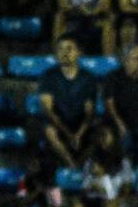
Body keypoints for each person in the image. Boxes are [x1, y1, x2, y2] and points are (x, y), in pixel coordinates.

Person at [38, 33, 97, 169]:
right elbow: (48, 110)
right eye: (60, 49)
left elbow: (89, 112)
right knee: (49, 130)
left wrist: (79, 134)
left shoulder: (88, 78)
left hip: (80, 125)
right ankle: (72, 166)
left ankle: (81, 164)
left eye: (69, 49)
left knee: (100, 133)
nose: (64, 53)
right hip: (59, 125)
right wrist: (69, 135)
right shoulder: (48, 76)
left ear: (78, 52)